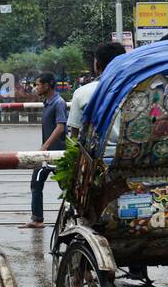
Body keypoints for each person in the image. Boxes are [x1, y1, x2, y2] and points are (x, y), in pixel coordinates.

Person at [20, 72, 66, 228]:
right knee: (36, 183)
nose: (36, 87)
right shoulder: (48, 102)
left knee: (66, 187)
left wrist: (45, 145)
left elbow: (60, 127)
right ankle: (37, 219)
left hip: (56, 154)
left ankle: (76, 215)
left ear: (47, 85)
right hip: (46, 155)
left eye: (38, 84)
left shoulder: (58, 102)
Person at [66, 41, 128, 139]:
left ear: (98, 65)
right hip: (132, 152)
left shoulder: (82, 92)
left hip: (95, 153)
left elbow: (74, 135)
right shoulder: (135, 89)